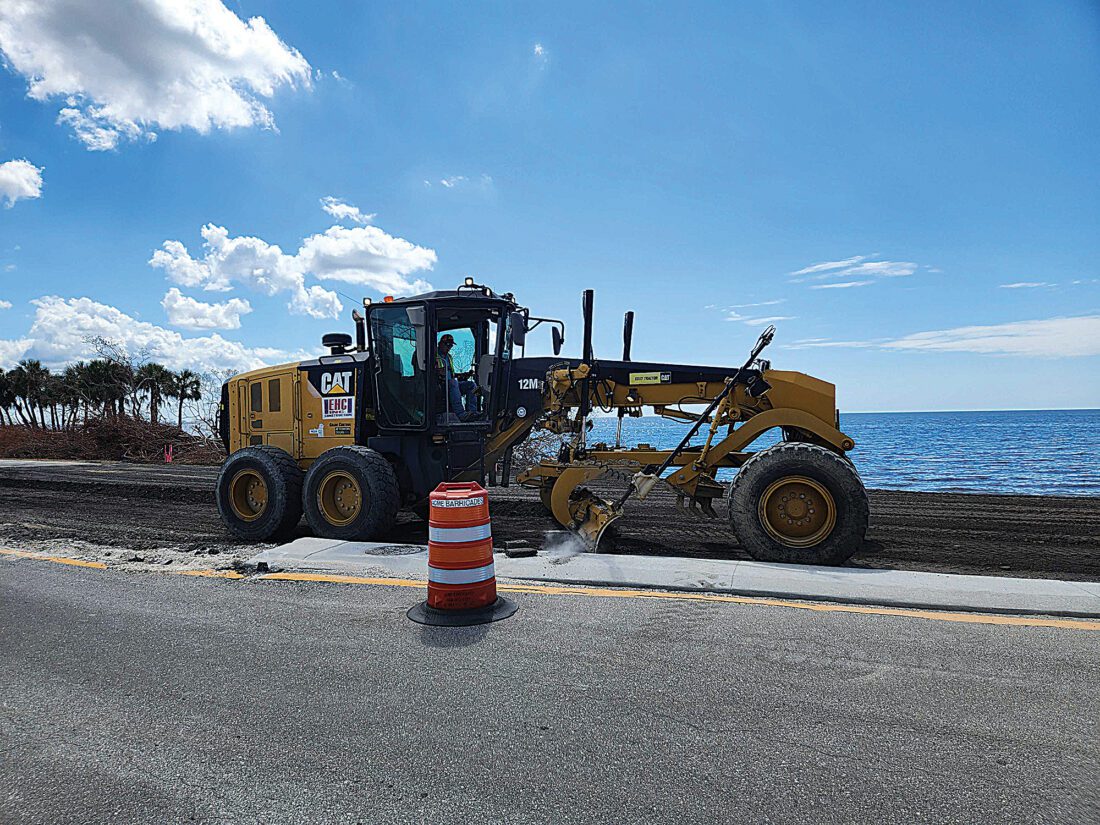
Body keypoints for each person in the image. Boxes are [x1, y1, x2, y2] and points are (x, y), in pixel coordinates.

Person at [436, 333, 478, 417]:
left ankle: (473, 412)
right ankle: (461, 414)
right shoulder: (432, 355)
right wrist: (438, 372)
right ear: (440, 343)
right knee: (453, 382)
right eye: (447, 344)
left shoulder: (449, 357)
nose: (449, 347)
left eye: (451, 345)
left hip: (451, 384)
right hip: (440, 385)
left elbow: (451, 374)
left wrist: (463, 375)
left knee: (472, 385)